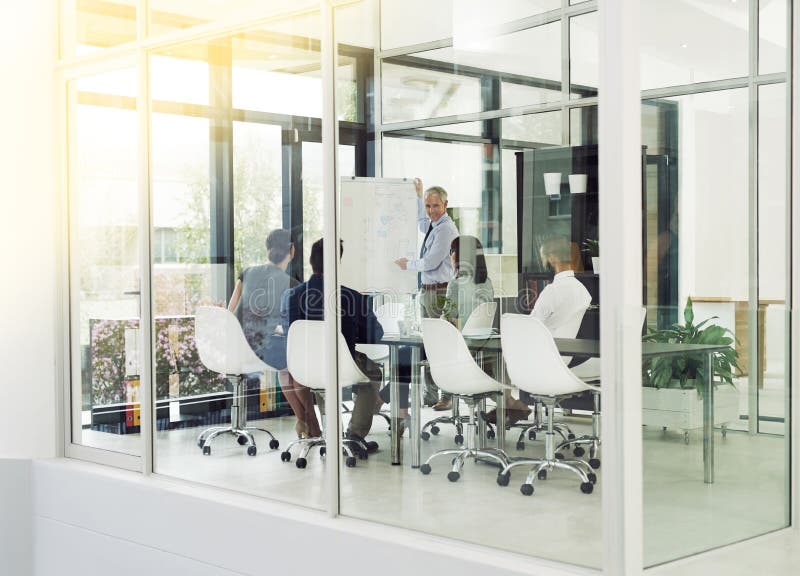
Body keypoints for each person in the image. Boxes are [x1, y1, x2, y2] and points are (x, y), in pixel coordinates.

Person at [281, 238, 384, 454]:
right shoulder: (352, 297)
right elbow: (376, 334)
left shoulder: (292, 296)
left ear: (311, 262)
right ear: (337, 262)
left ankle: (330, 433)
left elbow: (290, 332)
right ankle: (355, 435)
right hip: (340, 366)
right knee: (373, 373)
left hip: (305, 368)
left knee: (321, 374)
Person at [228, 229, 322, 439]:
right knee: (295, 365)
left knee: (285, 366)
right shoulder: (291, 285)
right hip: (259, 349)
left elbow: (230, 311)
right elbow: (296, 326)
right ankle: (311, 425)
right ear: (292, 251)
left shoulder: (248, 272)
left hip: (234, 346)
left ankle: (304, 423)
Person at [394, 179, 459, 410]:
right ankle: (430, 395)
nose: (431, 211)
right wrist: (418, 196)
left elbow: (430, 262)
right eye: (428, 206)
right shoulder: (435, 224)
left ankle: (447, 395)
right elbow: (423, 223)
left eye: (435, 206)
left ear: (446, 205)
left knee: (441, 346)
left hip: (440, 292)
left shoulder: (446, 230)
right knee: (430, 346)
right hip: (428, 292)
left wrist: (407, 264)